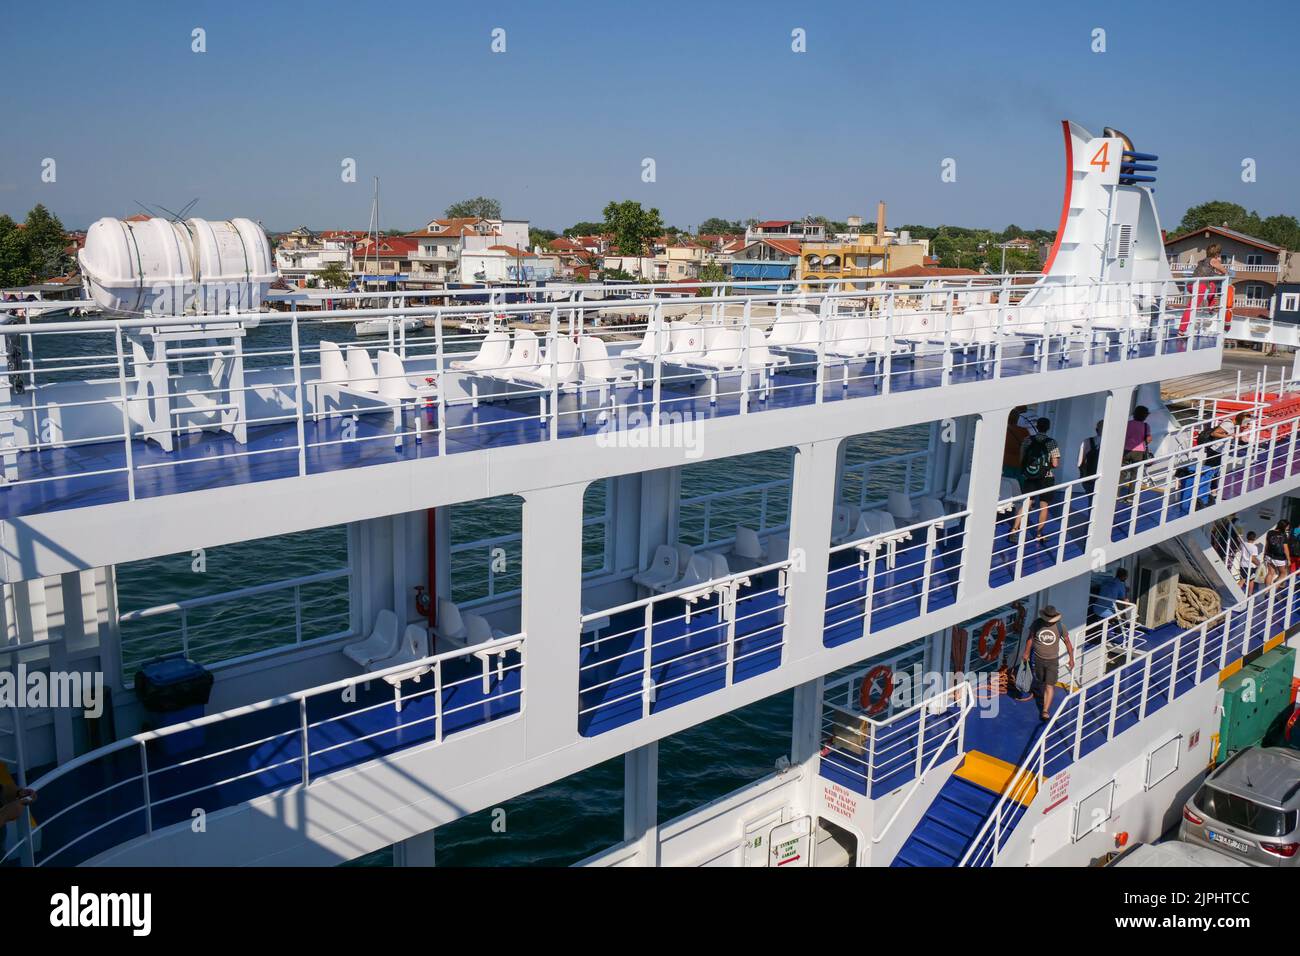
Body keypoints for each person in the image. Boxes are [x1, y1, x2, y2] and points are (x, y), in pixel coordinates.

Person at [1022, 605, 1074, 721]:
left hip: (1052, 661)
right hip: (1038, 659)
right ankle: (1041, 692)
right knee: (1041, 680)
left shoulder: (1061, 626)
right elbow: (1030, 638)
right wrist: (1026, 653)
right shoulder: (1037, 624)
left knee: (1049, 685)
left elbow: (1068, 643)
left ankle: (1045, 710)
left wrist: (1071, 658)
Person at [1014, 417, 1060, 543]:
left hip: (1030, 476)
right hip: (1046, 478)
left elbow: (1021, 459)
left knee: (1026, 503)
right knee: (1044, 506)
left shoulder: (1028, 440)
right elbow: (1055, 464)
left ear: (1037, 426)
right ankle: (1039, 534)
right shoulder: (1051, 442)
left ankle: (1014, 529)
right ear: (1048, 427)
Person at [1120, 406, 1152, 501]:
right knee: (1135, 475)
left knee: (1121, 474)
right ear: (1145, 416)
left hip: (1125, 451)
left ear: (1134, 414)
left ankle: (1116, 495)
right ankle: (1130, 498)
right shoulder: (1146, 426)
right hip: (1139, 452)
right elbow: (1149, 440)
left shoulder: (1128, 424)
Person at [1002, 405, 1030, 490]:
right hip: (1020, 463)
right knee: (1019, 486)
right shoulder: (1024, 431)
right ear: (1017, 419)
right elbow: (1027, 447)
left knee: (1006, 484)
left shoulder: (1003, 431)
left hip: (1006, 462)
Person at [1263, 519, 1292, 586]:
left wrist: (1264, 554)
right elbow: (1285, 549)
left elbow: (1267, 544)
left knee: (1270, 573)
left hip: (1269, 556)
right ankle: (1273, 590)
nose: (1288, 528)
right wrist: (1288, 559)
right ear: (1284, 526)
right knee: (1283, 573)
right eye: (1287, 526)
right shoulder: (1284, 535)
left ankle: (1267, 591)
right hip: (1280, 558)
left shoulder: (1270, 532)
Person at [1238, 530, 1261, 595]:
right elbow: (1253, 558)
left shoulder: (1243, 544)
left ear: (1247, 537)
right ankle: (1237, 592)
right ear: (1254, 538)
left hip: (1243, 564)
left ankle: (1250, 594)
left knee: (1251, 579)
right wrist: (1258, 563)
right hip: (1250, 566)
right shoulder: (1254, 547)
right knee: (1244, 580)